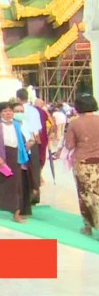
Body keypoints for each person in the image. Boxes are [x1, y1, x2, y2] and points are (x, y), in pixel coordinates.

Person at [0, 102, 33, 223]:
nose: (8, 113)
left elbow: (21, 141)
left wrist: (27, 146)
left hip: (15, 156)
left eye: (10, 111)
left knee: (16, 185)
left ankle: (16, 213)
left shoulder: (16, 125)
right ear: (0, 113)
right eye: (5, 111)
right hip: (1, 156)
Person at [65, 95, 99, 236]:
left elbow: (69, 144)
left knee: (85, 195)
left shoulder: (75, 123)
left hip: (83, 162)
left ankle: (88, 227)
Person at [16, 88, 42, 204]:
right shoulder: (34, 111)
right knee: (33, 169)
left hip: (24, 141)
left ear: (18, 98)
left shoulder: (17, 111)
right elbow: (38, 129)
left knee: (23, 170)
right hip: (33, 141)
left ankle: (26, 195)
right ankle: (34, 194)